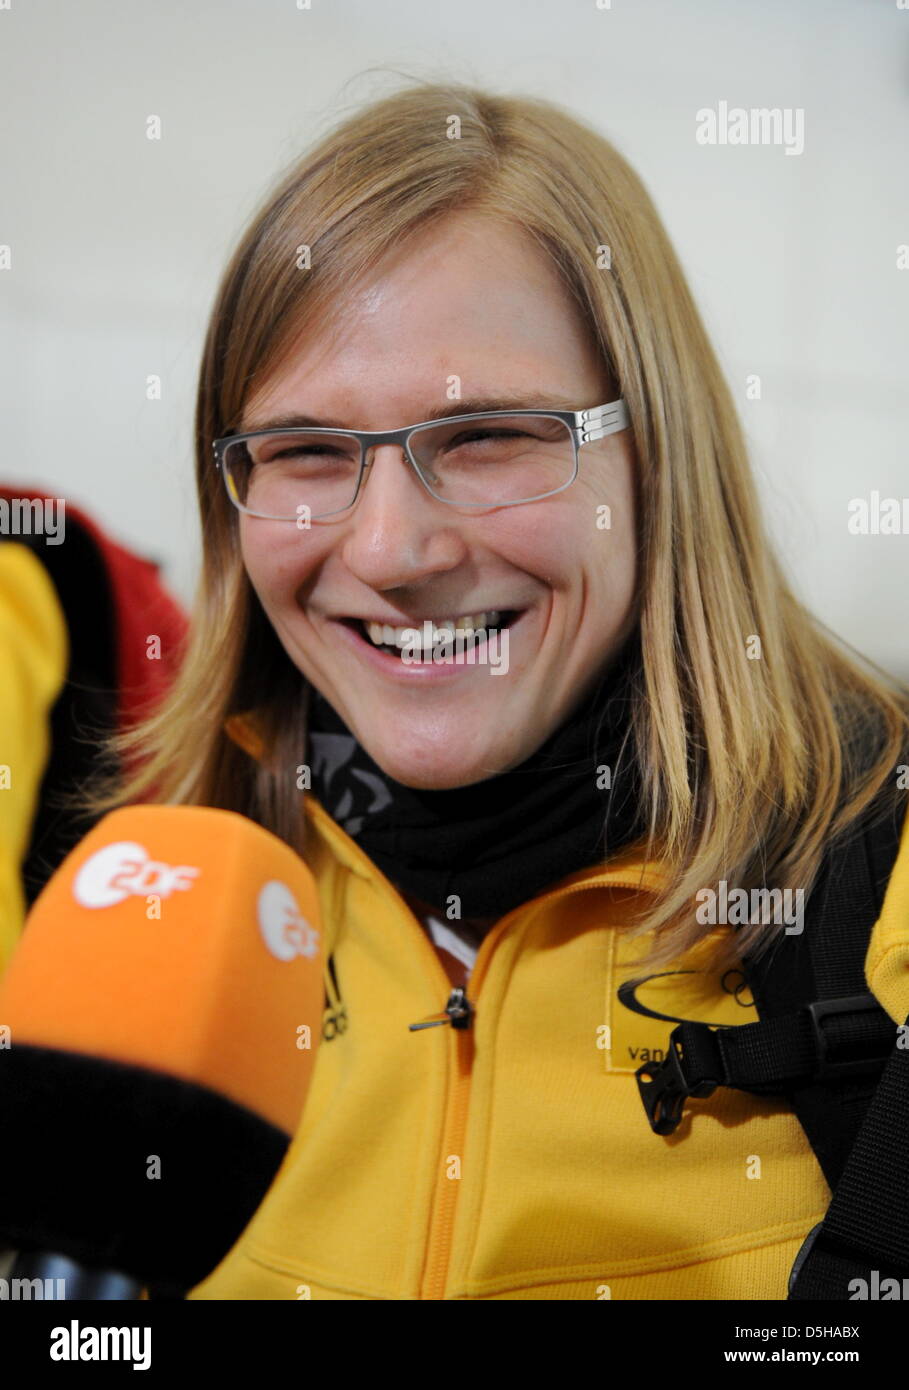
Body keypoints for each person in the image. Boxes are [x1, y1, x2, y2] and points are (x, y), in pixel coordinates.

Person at [89, 80, 909, 1300]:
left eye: (486, 437)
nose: (388, 551)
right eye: (308, 449)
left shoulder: (878, 893)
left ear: (655, 459)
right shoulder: (151, 893)